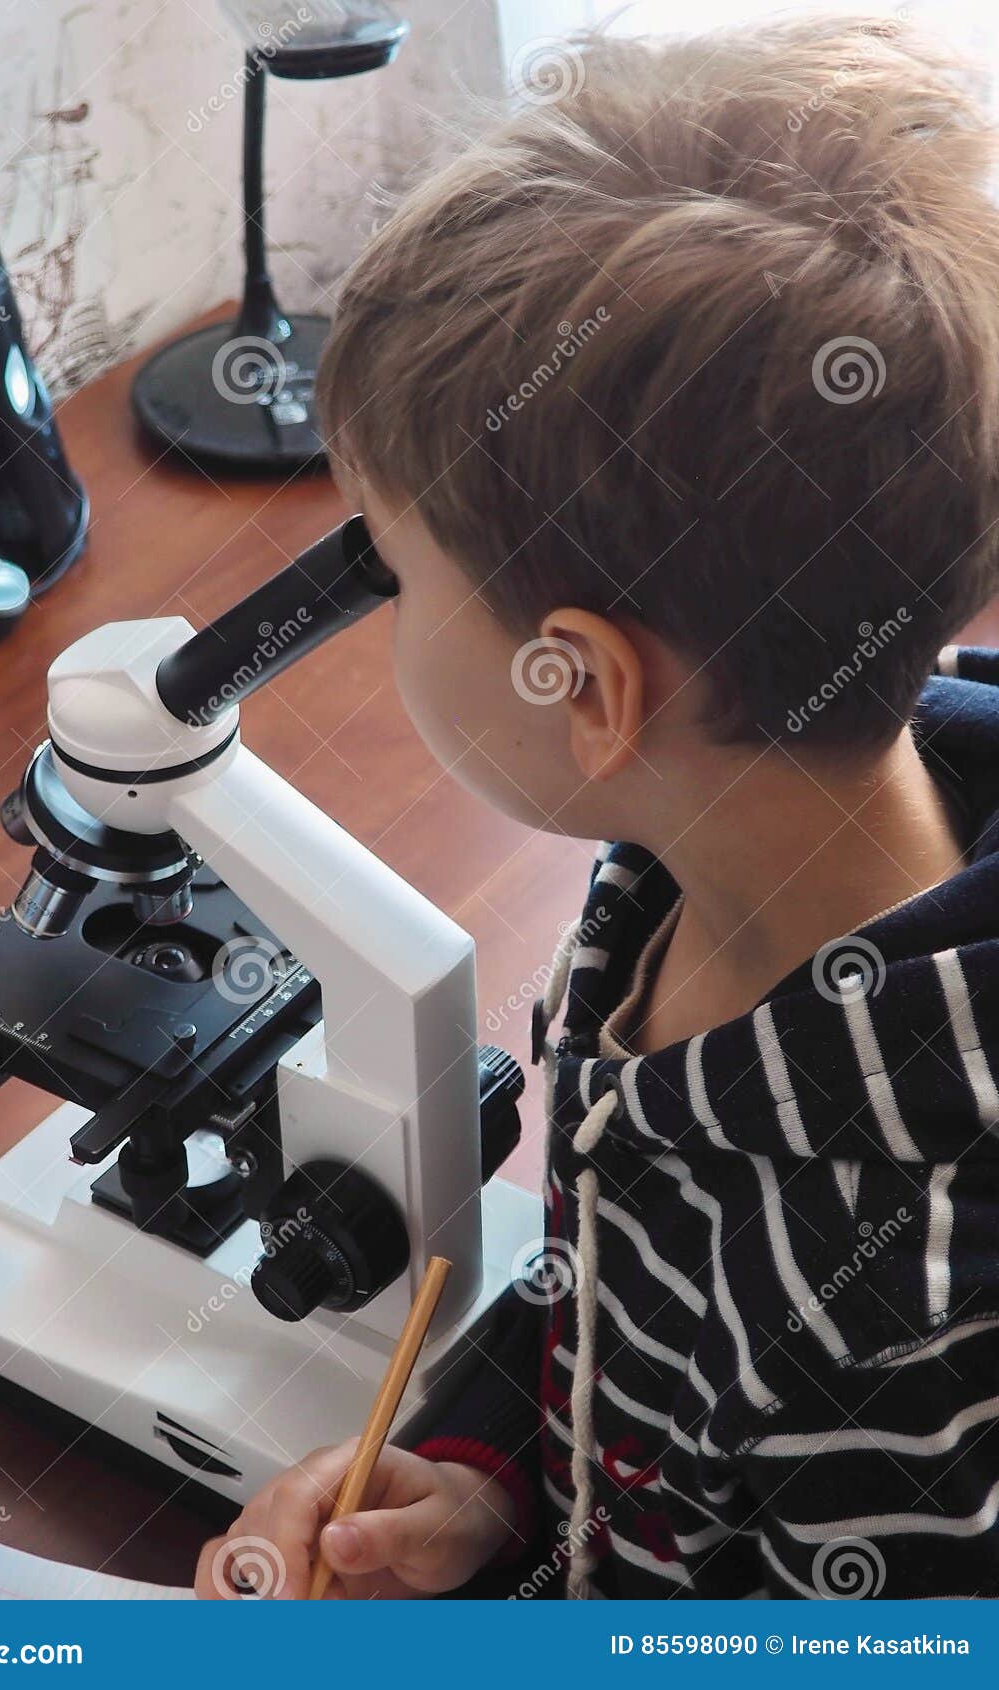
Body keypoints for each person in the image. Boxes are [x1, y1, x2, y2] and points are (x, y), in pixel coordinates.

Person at [196, 15, 999, 1598]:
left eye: (396, 569)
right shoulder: (674, 879)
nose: (381, 612)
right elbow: (615, 1296)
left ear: (589, 690)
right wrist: (496, 1479)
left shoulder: (902, 1310)